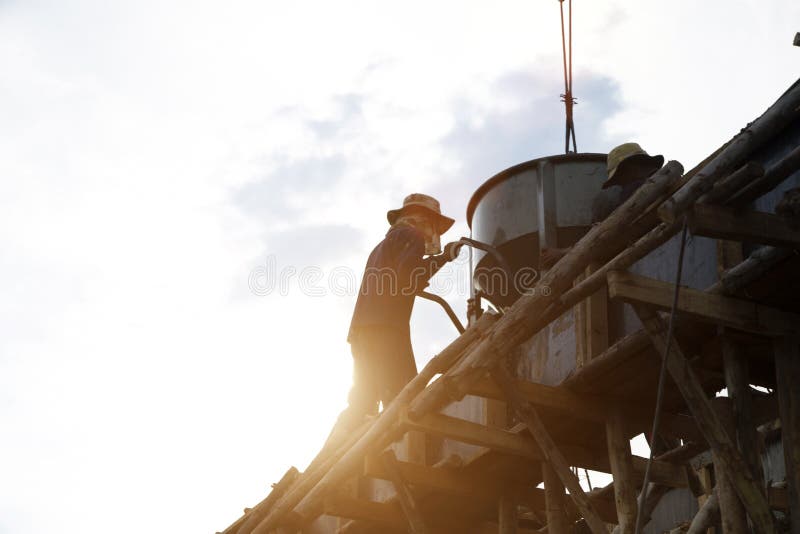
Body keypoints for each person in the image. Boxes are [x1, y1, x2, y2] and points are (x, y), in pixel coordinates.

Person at [338, 194, 462, 432]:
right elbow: (408, 279)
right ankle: (403, 454)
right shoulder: (411, 236)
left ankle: (332, 458)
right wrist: (444, 258)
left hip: (361, 331)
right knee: (405, 394)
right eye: (434, 226)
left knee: (362, 401)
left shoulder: (382, 246)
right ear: (426, 221)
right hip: (386, 330)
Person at [540, 143, 664, 269]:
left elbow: (601, 238)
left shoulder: (624, 194)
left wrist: (563, 253)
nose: (619, 183)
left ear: (626, 168)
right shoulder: (667, 186)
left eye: (619, 177)